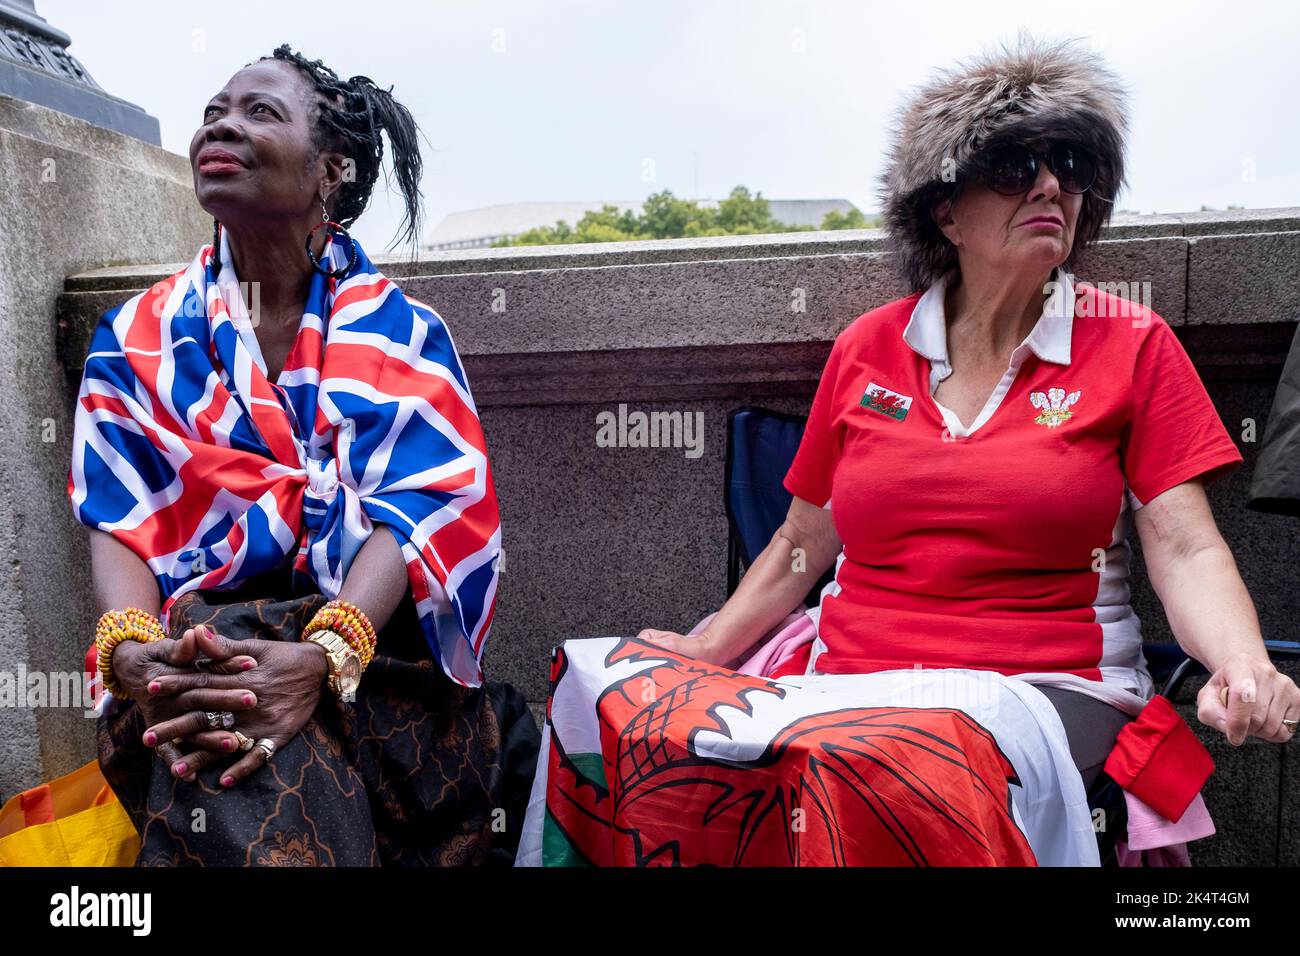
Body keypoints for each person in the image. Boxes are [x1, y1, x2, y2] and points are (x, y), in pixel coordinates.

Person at [639, 35, 1299, 798]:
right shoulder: (866, 348)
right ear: (947, 212)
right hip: (850, 690)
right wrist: (707, 649)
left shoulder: (1132, 342)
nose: (1052, 186)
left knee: (903, 783)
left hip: (1052, 690)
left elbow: (1185, 549)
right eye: (1018, 167)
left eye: (1073, 167)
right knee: (664, 759)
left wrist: (1241, 663)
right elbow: (801, 541)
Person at [70, 45, 537, 866]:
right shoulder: (135, 338)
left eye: (260, 112)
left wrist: (322, 659)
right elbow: (120, 514)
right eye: (215, 110)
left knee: (232, 748)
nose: (223, 126)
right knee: (220, 709)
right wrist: (131, 650)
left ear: (330, 171)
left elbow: (425, 514)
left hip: (376, 674)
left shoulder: (405, 339)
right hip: (187, 668)